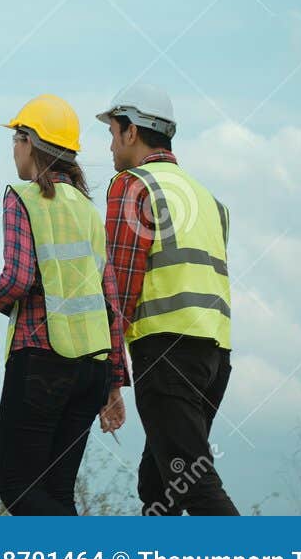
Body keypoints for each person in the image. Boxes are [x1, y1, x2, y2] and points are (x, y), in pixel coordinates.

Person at [0, 95, 126, 515]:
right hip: (91, 369)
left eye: (16, 138)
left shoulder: (22, 198)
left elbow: (18, 280)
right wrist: (115, 381)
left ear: (30, 141)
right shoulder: (87, 210)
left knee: (18, 488)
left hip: (41, 363)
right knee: (57, 494)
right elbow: (108, 299)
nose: (14, 149)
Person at [97, 82, 238, 516]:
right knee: (159, 488)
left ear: (131, 131)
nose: (110, 145)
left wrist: (110, 377)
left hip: (167, 353)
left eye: (112, 131)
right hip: (214, 359)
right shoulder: (210, 200)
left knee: (190, 481)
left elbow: (118, 286)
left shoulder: (132, 185)